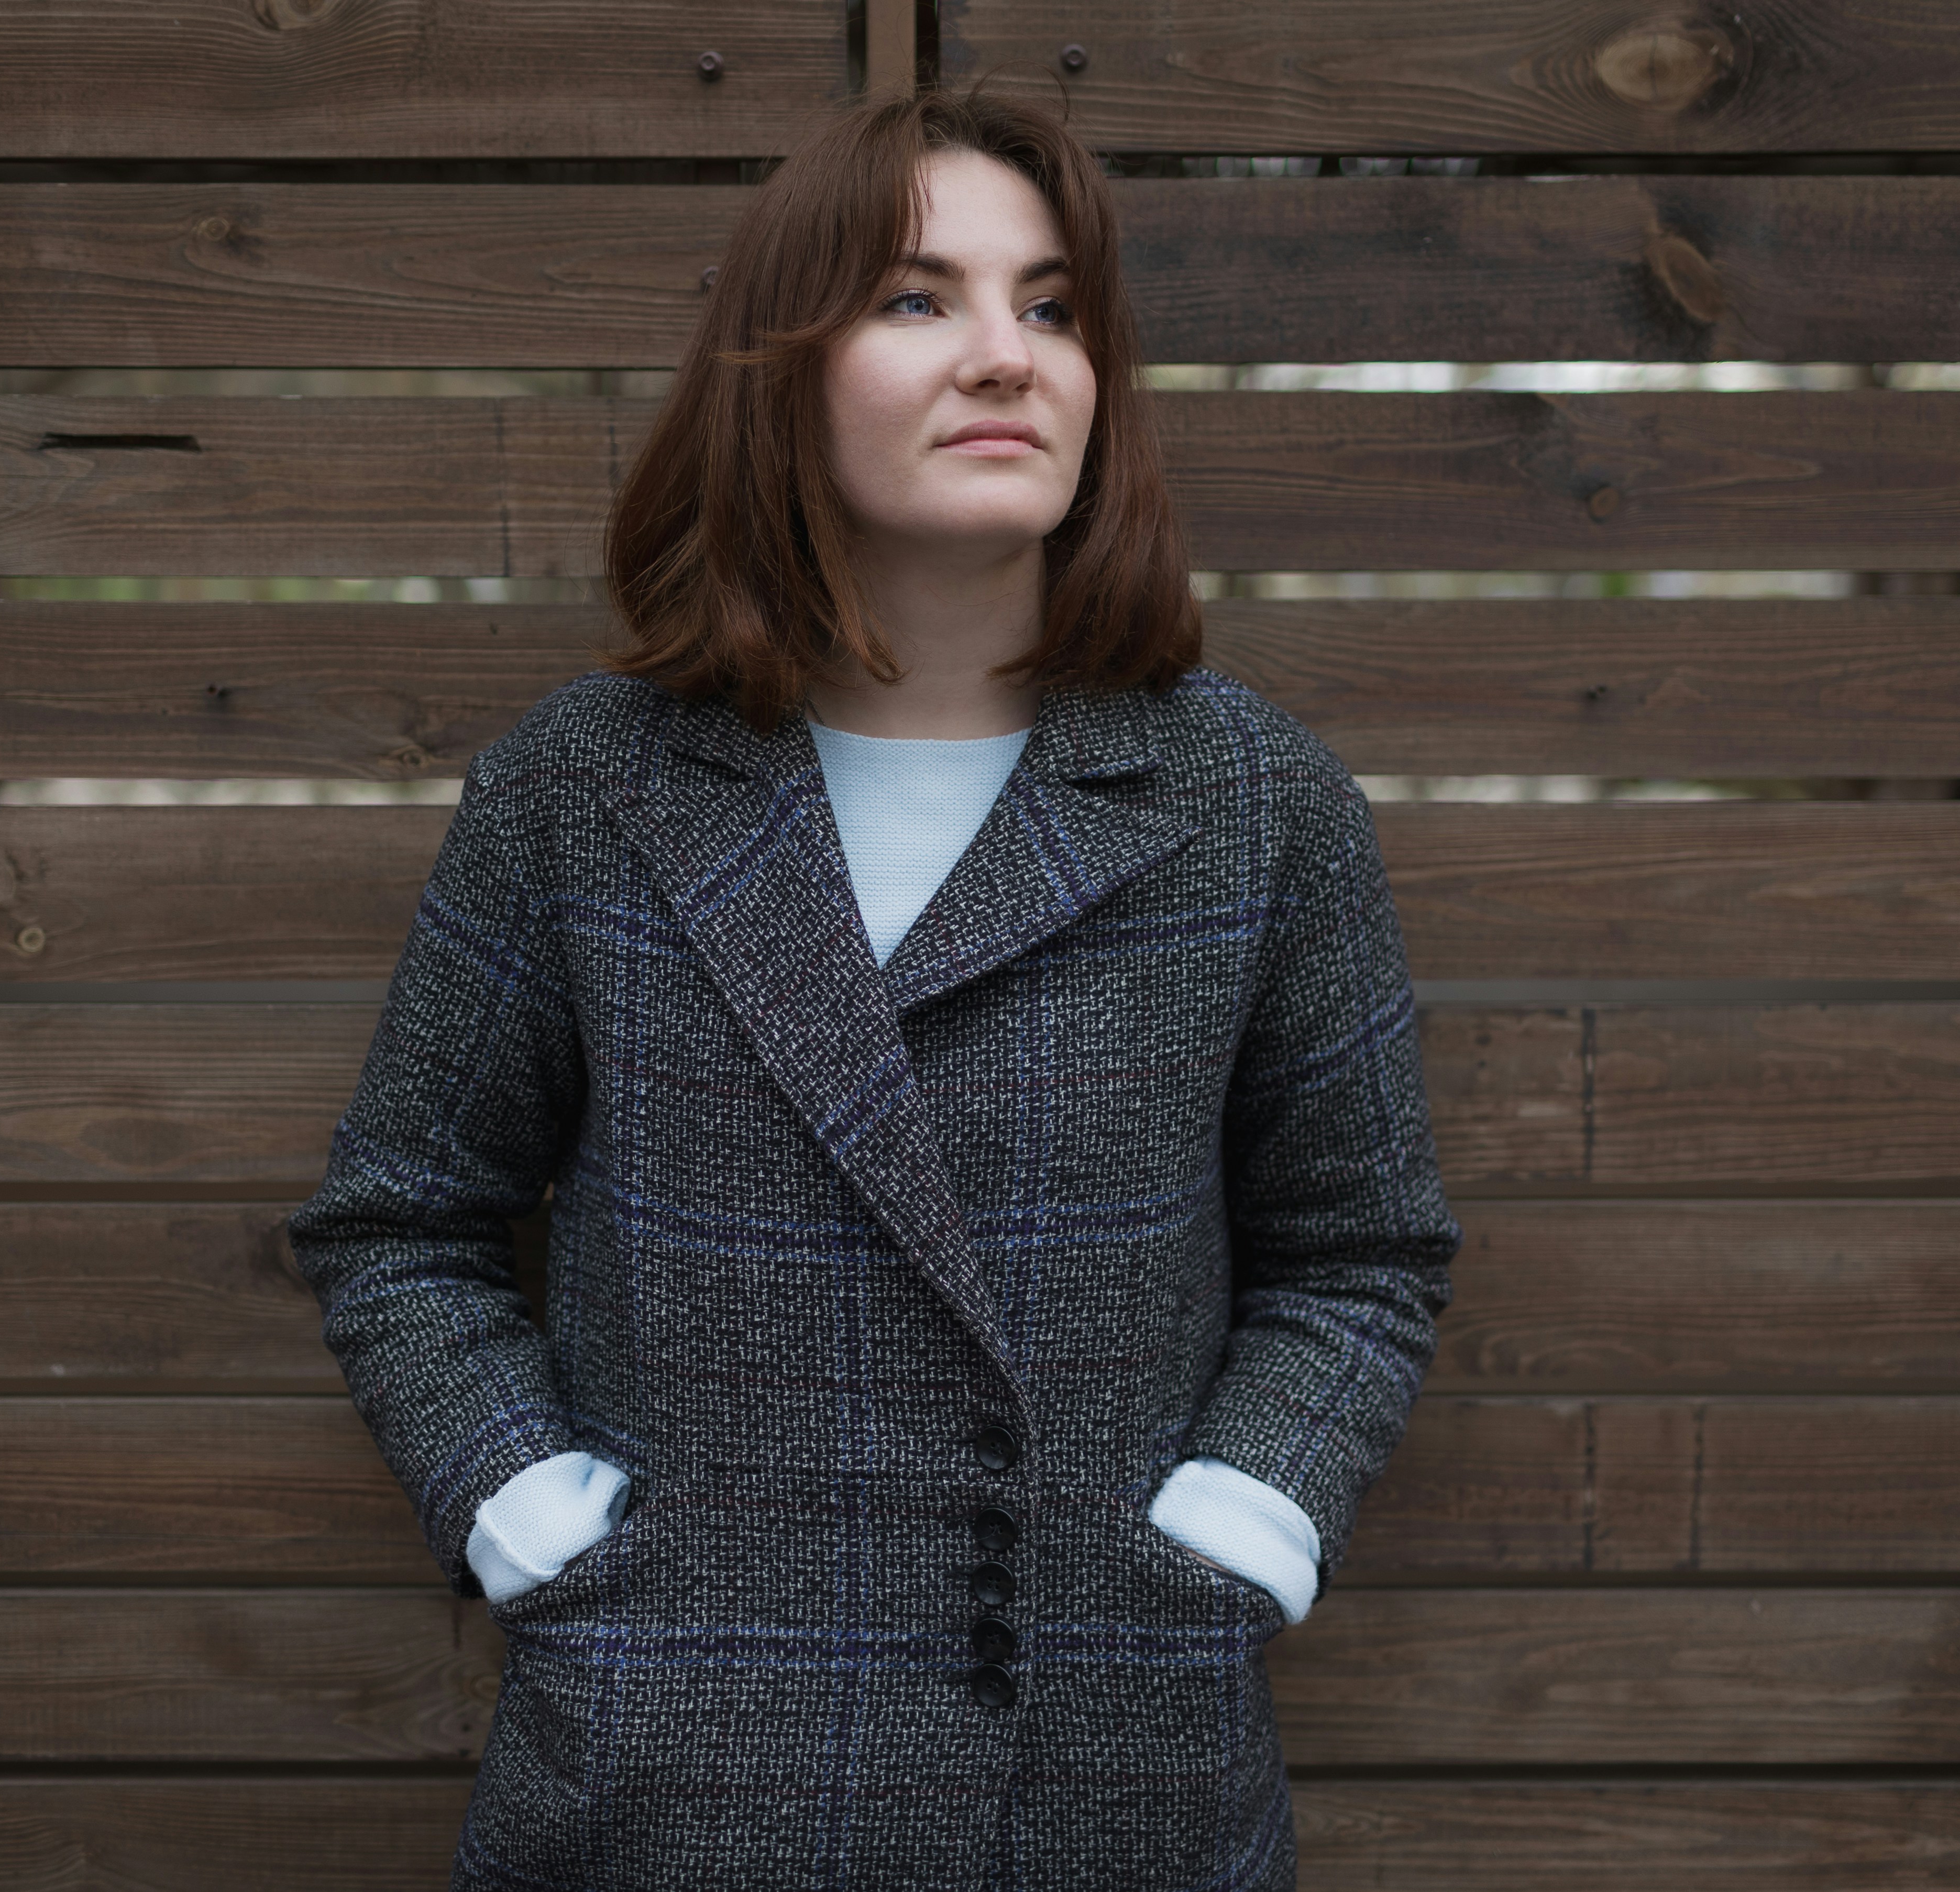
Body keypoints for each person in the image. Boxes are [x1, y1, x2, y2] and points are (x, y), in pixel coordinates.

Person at [287, 81, 1460, 1892]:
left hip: (1108, 1770)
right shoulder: (584, 788)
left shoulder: (1249, 799)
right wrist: (538, 1528)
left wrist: (1234, 1530)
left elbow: (1358, 1254)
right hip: (670, 1775)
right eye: (919, 298)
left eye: (1051, 305)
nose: (1007, 354)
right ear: (782, 370)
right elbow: (402, 1223)